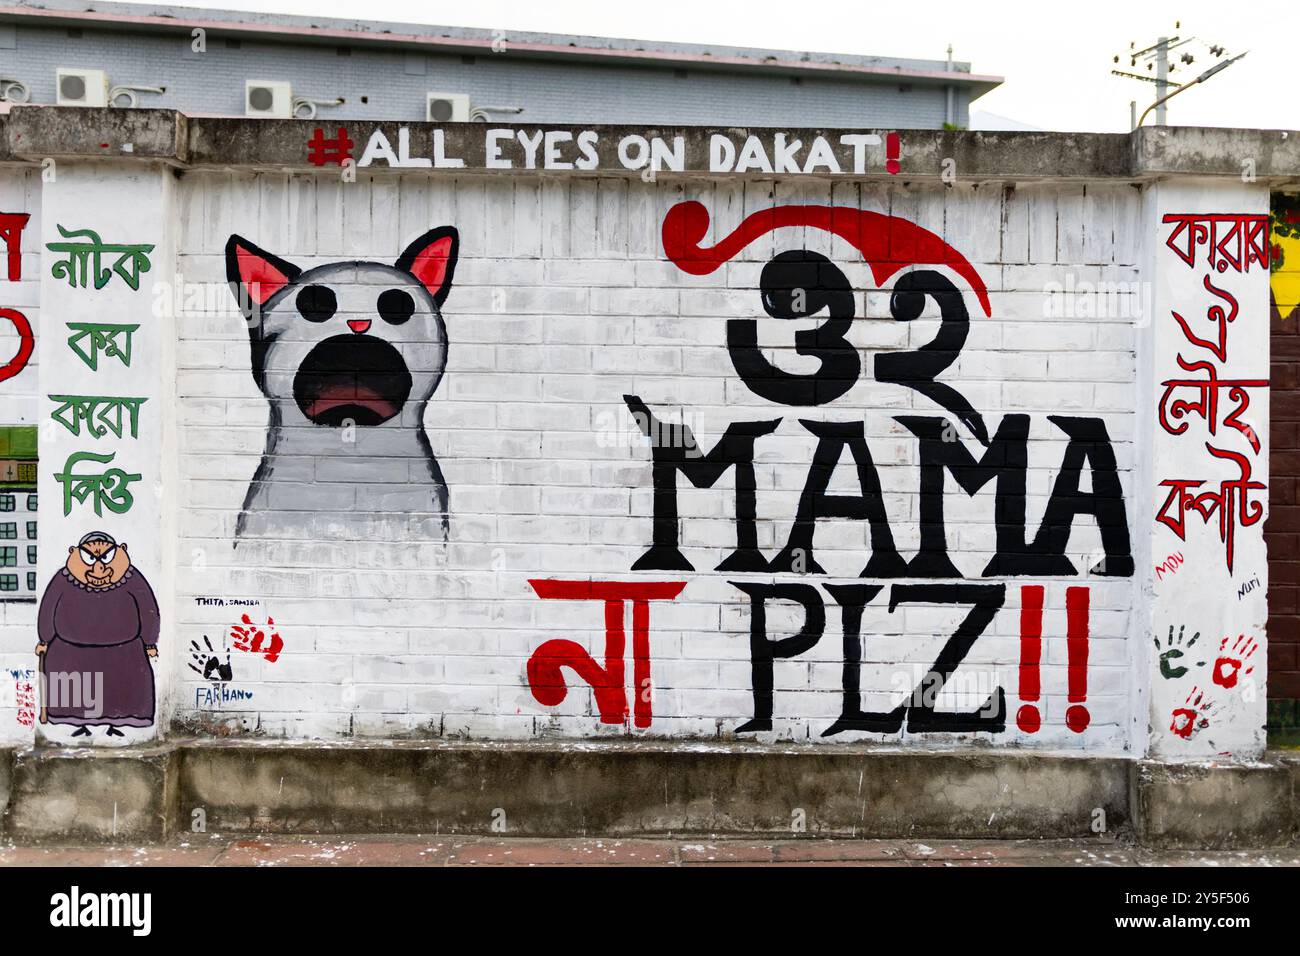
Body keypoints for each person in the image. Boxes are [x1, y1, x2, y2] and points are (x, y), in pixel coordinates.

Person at [35, 531, 159, 738]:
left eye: (106, 558)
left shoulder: (132, 578)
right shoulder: (64, 579)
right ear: (74, 554)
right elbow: (47, 609)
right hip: (70, 651)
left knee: (123, 688)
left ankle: (117, 723)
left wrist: (149, 641)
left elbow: (148, 609)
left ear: (121, 552)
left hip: (125, 651)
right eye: (90, 558)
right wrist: (44, 639)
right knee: (74, 689)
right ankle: (79, 723)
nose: (98, 568)